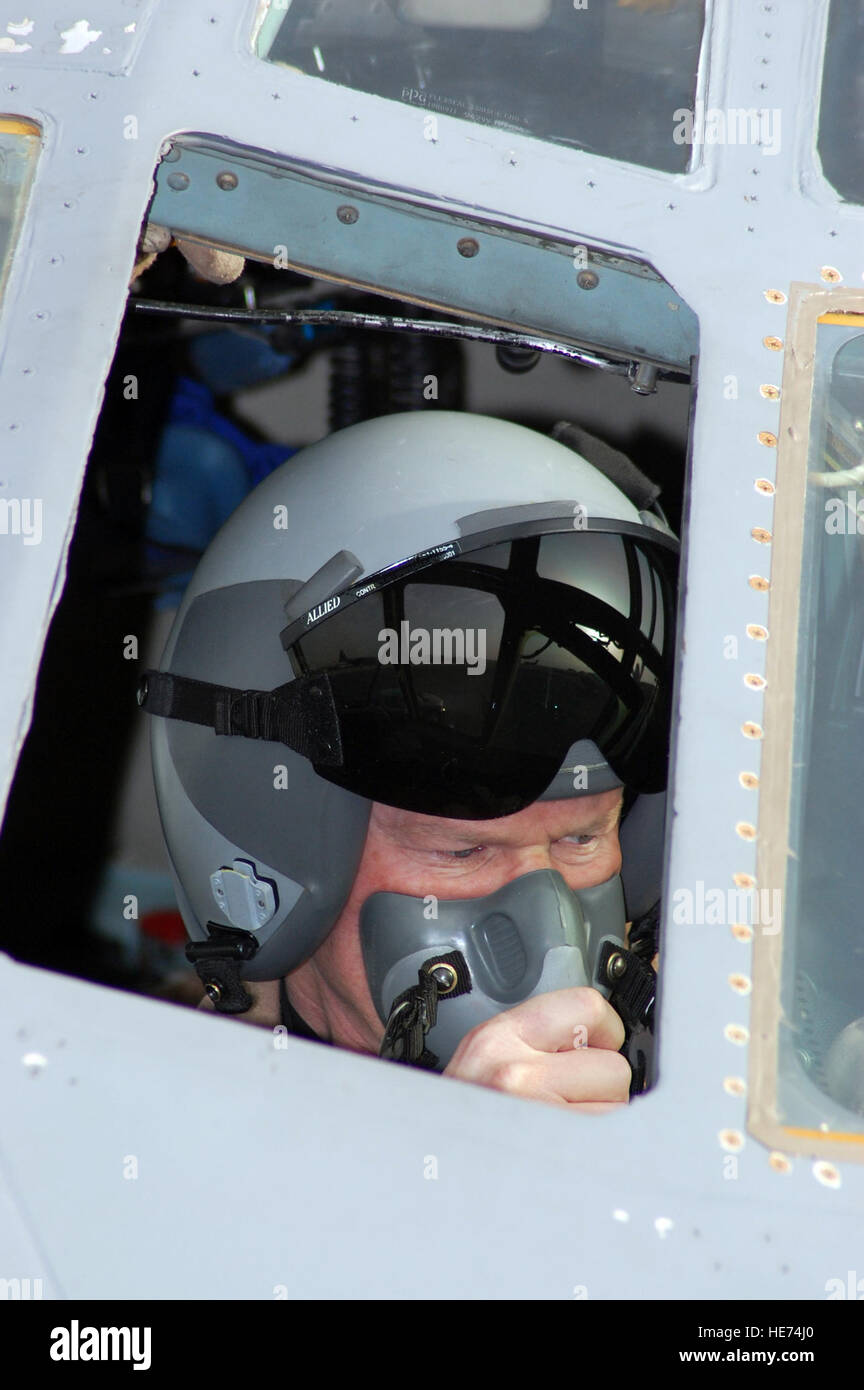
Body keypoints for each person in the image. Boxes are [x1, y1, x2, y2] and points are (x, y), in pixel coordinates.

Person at [139, 411, 677, 1109]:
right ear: (265, 850)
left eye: (582, 838)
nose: (555, 939)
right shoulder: (151, 1149)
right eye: (461, 851)